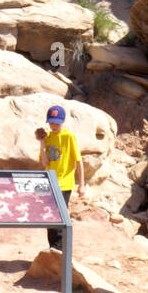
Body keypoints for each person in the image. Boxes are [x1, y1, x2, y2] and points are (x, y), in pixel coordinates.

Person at [37, 105, 85, 249]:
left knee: (58, 216)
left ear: (62, 121)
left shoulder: (68, 136)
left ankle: (60, 250)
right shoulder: (48, 138)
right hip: (50, 183)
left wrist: (82, 184)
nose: (54, 125)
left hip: (64, 184)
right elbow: (45, 162)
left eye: (57, 122)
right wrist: (42, 142)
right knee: (49, 217)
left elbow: (78, 160)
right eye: (51, 122)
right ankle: (53, 248)